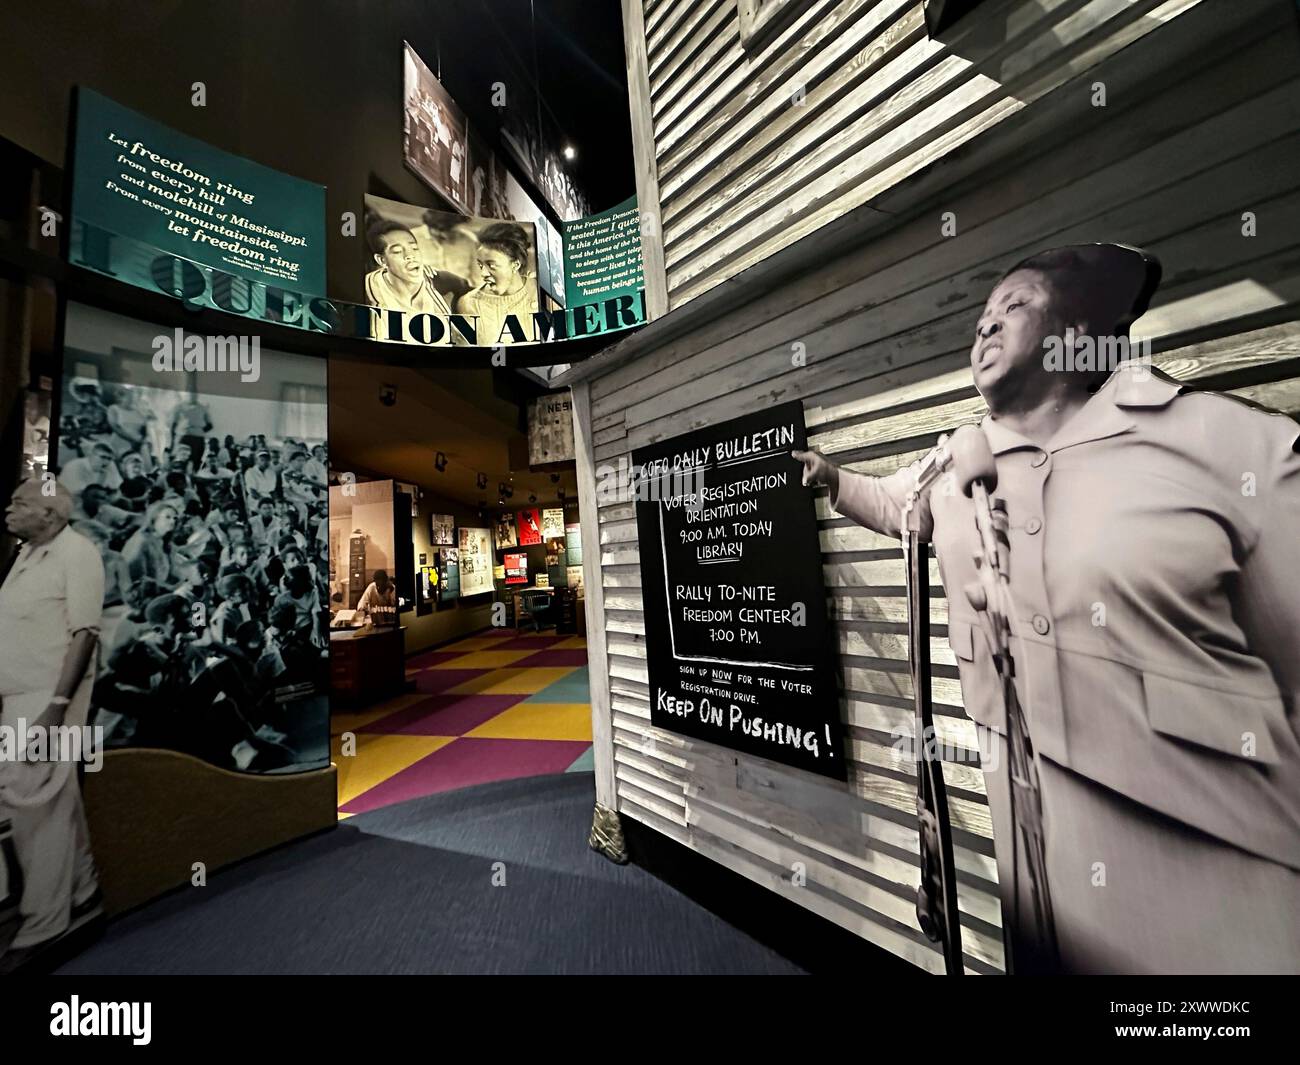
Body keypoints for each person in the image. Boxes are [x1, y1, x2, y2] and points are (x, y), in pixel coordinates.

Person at [793, 244, 1300, 974]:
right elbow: (896, 504)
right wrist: (834, 478)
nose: (985, 329)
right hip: (1032, 854)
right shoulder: (955, 469)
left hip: (1209, 877)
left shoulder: (1226, 446)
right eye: (979, 321)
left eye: (1014, 307)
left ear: (1075, 329)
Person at [0, 478, 104, 972]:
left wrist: (57, 705)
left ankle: (45, 922)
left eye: (20, 502)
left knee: (34, 808)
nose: (9, 507)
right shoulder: (26, 555)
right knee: (55, 799)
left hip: (47, 700)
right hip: (19, 698)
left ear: (50, 515)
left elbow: (85, 633)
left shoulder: (77, 552)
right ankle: (83, 893)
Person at [454, 223, 538, 346]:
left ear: (515, 265)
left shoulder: (539, 292)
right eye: (480, 265)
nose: (483, 273)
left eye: (491, 265)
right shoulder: (469, 304)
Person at [364, 220, 462, 321]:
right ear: (382, 260)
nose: (410, 256)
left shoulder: (440, 279)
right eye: (398, 251)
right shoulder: (367, 291)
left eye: (414, 248)